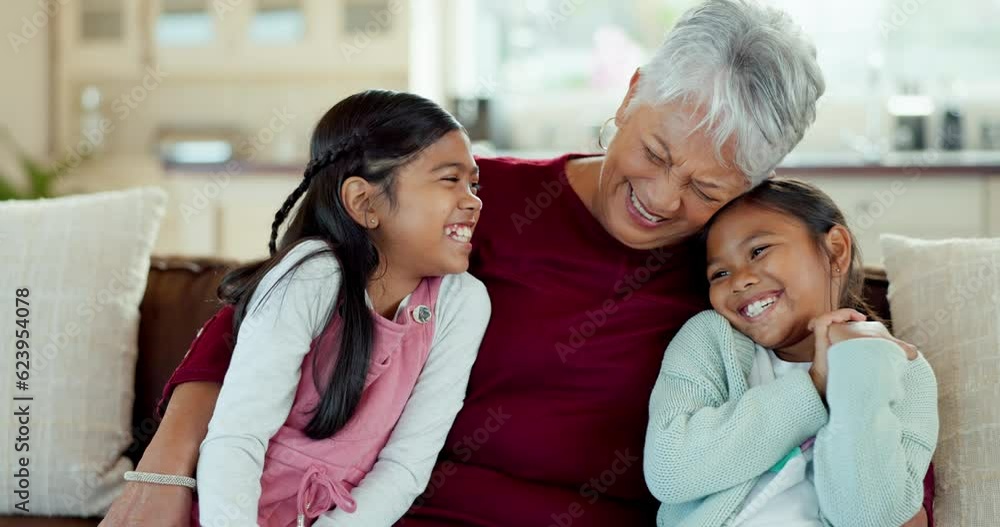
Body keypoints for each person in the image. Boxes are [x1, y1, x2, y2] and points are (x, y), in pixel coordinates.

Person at [101, 1, 931, 525]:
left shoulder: (734, 281)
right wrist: (166, 472)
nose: (662, 197)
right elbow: (267, 316)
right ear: (630, 91)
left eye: (707, 187)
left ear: (749, 187)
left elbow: (842, 387)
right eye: (654, 149)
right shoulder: (473, 200)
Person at [150, 89, 489, 526]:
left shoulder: (462, 302)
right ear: (364, 203)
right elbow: (237, 438)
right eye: (449, 179)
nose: (473, 200)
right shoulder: (312, 276)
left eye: (474, 183)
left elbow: (404, 467)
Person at [644, 179, 938, 526]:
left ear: (836, 250)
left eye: (758, 251)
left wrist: (860, 364)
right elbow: (670, 470)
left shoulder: (900, 369)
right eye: (719, 273)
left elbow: (869, 516)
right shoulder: (708, 341)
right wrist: (813, 387)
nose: (738, 281)